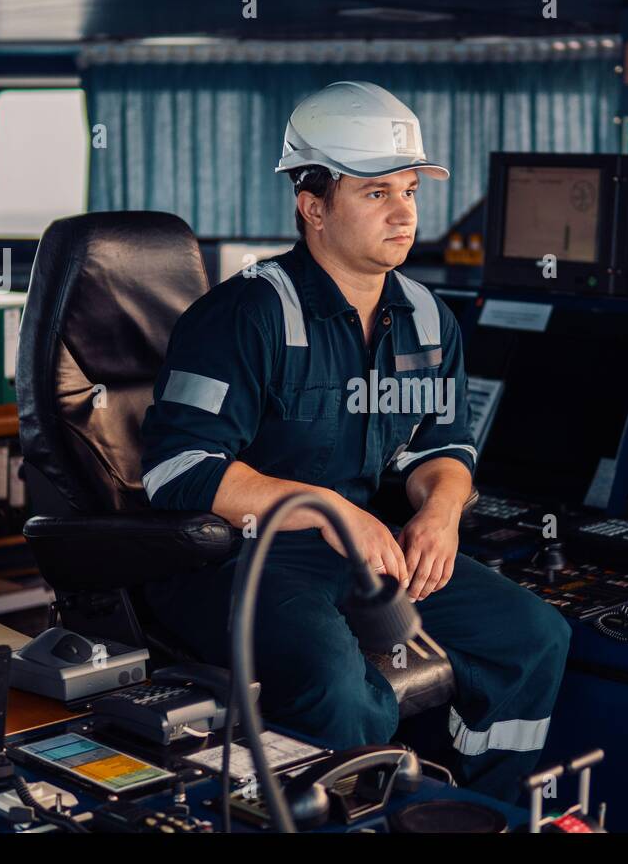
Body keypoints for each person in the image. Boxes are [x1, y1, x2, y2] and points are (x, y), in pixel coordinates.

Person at [140, 81, 569, 802]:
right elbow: (178, 470)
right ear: (313, 205)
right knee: (344, 688)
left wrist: (440, 513)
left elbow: (446, 447)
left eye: (409, 190)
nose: (405, 213)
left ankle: (472, 807)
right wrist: (333, 513)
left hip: (372, 551)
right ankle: (355, 816)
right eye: (376, 194)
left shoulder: (431, 320)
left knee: (533, 639)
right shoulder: (243, 316)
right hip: (239, 558)